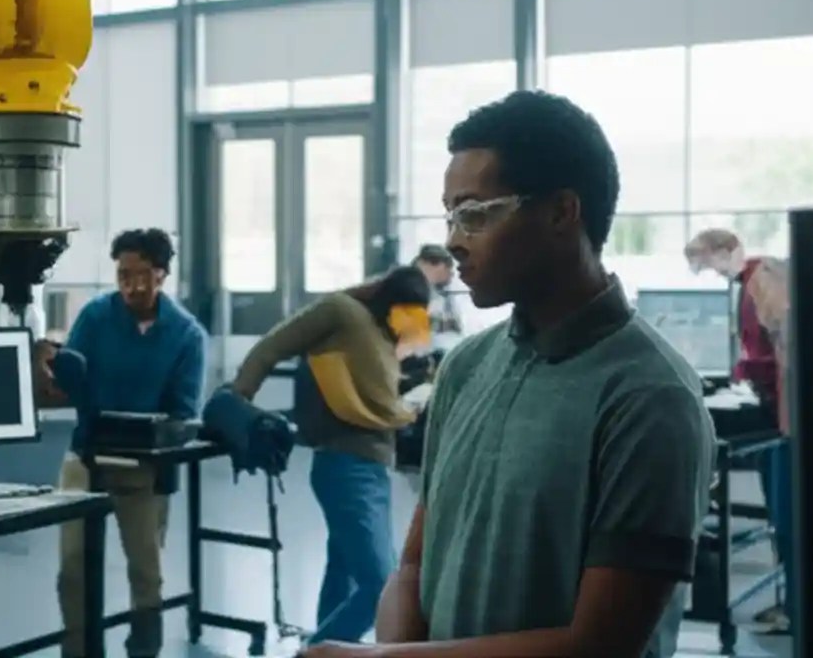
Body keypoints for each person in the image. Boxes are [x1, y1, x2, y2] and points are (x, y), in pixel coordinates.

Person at [303, 91, 716, 658]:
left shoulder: (649, 396)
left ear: (560, 212)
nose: (453, 240)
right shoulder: (467, 367)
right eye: (450, 215)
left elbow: (599, 644)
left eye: (474, 214)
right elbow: (415, 565)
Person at [232, 266, 432, 646]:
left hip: (372, 469)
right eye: (411, 311)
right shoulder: (341, 311)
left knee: (344, 575)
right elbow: (272, 345)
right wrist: (236, 402)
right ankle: (315, 655)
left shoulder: (379, 335)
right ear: (392, 302)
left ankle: (330, 647)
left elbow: (372, 393)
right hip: (347, 467)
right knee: (380, 586)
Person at [45, 227, 207, 658]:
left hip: (143, 470)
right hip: (86, 456)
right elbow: (72, 378)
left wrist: (150, 436)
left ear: (162, 274)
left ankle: (144, 649)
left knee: (146, 573)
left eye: (141, 275)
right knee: (73, 569)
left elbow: (183, 410)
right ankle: (78, 650)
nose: (132, 286)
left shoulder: (186, 335)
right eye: (122, 275)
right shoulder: (97, 317)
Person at [685, 228, 793, 633]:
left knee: (787, 515)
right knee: (779, 512)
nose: (710, 273)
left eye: (708, 262)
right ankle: (790, 603)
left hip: (781, 417)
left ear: (727, 250)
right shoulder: (749, 284)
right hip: (773, 408)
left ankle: (795, 608)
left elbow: (780, 348)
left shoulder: (763, 279)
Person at [411, 244, 462, 349]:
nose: (451, 274)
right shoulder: (406, 286)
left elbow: (456, 325)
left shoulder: (443, 293)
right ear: (427, 265)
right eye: (447, 267)